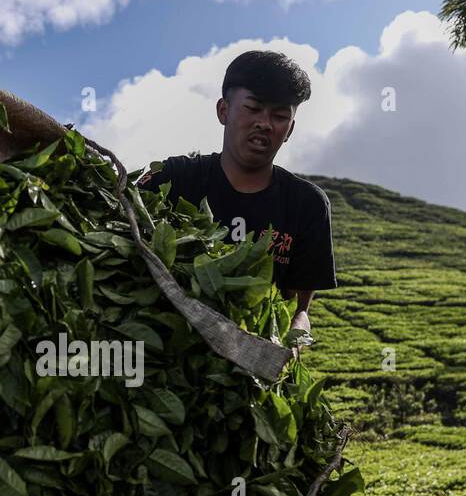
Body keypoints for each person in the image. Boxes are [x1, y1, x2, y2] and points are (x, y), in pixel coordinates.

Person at [137, 50, 336, 344]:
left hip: (250, 374)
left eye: (279, 116)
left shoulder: (307, 204)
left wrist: (288, 349)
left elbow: (299, 311)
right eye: (253, 108)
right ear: (223, 110)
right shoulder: (172, 178)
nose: (265, 123)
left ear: (290, 129)